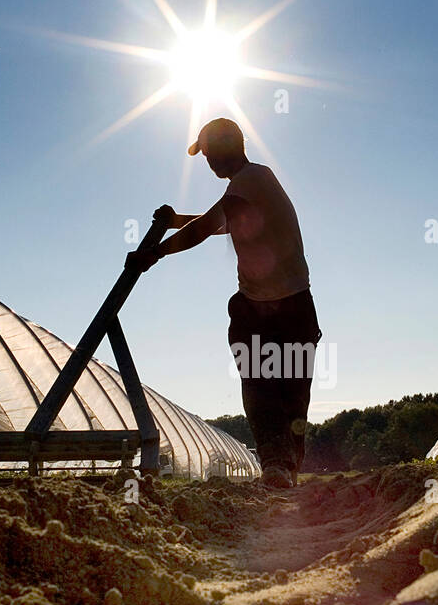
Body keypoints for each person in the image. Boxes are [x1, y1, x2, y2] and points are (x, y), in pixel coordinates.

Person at [126, 118, 320, 490]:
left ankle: (286, 467)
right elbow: (216, 224)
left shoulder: (254, 178)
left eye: (211, 153)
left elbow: (205, 227)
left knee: (291, 391)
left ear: (232, 146)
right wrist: (172, 222)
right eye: (206, 156)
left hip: (291, 306)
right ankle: (278, 466)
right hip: (256, 307)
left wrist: (152, 254)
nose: (209, 162)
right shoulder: (246, 190)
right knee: (260, 382)